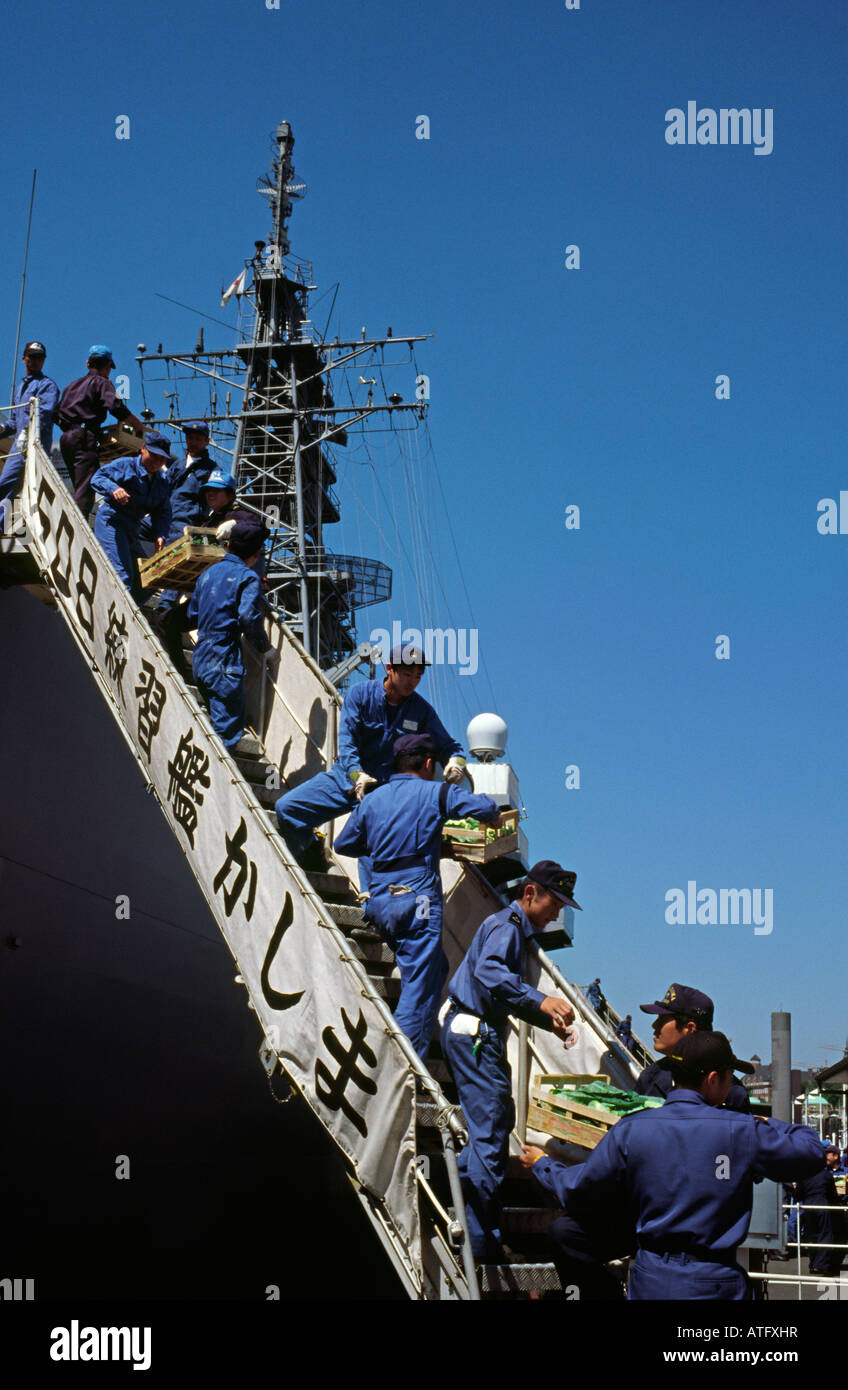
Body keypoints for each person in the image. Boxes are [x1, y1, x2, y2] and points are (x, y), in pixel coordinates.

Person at [521, 1032, 825, 1300]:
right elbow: (811, 1153)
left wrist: (542, 1164)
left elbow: (578, 1188)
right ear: (713, 1079)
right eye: (731, 1077)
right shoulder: (741, 1130)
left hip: (651, 1278)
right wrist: (767, 1122)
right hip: (714, 1281)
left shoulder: (631, 1129)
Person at [440, 862, 581, 1262]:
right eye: (556, 903)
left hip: (476, 1032)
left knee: (494, 1123)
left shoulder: (510, 928)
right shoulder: (507, 927)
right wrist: (542, 1001)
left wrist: (544, 1019)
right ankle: (479, 1240)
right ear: (531, 893)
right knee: (488, 1134)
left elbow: (500, 990)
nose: (558, 913)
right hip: (475, 1036)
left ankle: (477, 1226)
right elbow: (489, 972)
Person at [334, 733, 500, 1059]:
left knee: (436, 967)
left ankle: (413, 1052)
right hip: (417, 901)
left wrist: (386, 841)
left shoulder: (373, 799)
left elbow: (343, 845)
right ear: (427, 764)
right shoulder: (435, 792)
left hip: (381, 903)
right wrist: (466, 789)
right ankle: (403, 1067)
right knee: (417, 988)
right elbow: (485, 808)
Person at [275, 645, 467, 886]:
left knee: (372, 848)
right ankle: (312, 855)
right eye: (407, 674)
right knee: (287, 809)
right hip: (346, 778)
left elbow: (451, 747)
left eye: (418, 676)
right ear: (389, 669)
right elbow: (347, 744)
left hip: (385, 792)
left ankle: (371, 914)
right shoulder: (360, 695)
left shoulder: (422, 711)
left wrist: (456, 764)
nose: (413, 682)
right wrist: (357, 775)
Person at [186, 516, 273, 749]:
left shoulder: (208, 574)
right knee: (227, 732)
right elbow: (248, 617)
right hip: (224, 657)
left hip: (201, 655)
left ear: (229, 545)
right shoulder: (248, 577)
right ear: (255, 555)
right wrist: (265, 647)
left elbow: (192, 614)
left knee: (215, 721)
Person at [637, 983, 751, 1113]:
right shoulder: (651, 1076)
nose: (654, 1025)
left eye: (662, 1019)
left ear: (689, 1028)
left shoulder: (730, 1094)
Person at [58, 345, 143, 515]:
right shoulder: (102, 382)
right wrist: (136, 424)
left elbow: (56, 413)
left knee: (78, 484)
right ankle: (77, 530)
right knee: (86, 488)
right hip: (84, 437)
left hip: (66, 438)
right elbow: (115, 407)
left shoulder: (72, 386)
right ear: (107, 366)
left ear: (88, 363)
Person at [90, 433, 174, 600]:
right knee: (122, 577)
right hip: (112, 522)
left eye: (162, 459)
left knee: (149, 580)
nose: (157, 462)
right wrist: (113, 489)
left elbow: (162, 512)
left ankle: (129, 613)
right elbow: (97, 478)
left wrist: (160, 535)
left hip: (132, 529)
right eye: (153, 455)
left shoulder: (162, 482)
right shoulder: (125, 465)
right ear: (143, 449)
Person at [0, 341, 59, 523]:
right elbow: (15, 420)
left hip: (34, 445)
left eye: (39, 358)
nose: (34, 361)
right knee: (10, 487)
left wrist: (27, 433)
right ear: (24, 358)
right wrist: (3, 429)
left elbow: (42, 414)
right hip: (20, 443)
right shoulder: (21, 388)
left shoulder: (47, 386)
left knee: (6, 485)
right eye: (31, 357)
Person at [140, 420, 216, 545]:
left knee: (170, 556)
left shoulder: (212, 470)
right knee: (129, 524)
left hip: (185, 524)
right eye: (190, 438)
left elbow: (219, 500)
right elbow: (161, 489)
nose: (193, 442)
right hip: (164, 517)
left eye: (198, 438)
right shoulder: (177, 466)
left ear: (207, 442)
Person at [796, 1144, 847, 1276]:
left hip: (808, 1207)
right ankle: (821, 1264)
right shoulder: (826, 1175)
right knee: (825, 1235)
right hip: (823, 1206)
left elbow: (798, 1194)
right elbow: (832, 1195)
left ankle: (813, 1264)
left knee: (811, 1235)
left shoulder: (804, 1175)